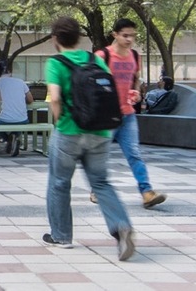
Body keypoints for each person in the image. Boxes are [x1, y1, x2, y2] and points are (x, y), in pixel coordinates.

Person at [42, 15, 137, 262]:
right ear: (78, 37)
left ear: (55, 39)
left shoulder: (55, 62)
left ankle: (61, 236)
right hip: (100, 132)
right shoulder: (94, 58)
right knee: (101, 182)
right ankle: (121, 226)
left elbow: (54, 98)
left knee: (59, 183)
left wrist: (59, 120)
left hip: (69, 131)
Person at [96, 19, 167, 209]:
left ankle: (147, 193)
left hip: (127, 115)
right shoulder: (102, 56)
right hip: (106, 116)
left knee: (134, 153)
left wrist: (135, 92)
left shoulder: (135, 56)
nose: (129, 40)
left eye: (132, 36)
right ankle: (97, 188)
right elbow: (92, 83)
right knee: (100, 154)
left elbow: (135, 80)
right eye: (125, 35)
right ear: (115, 35)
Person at [0, 58, 31, 154]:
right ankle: (14, 137)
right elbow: (30, 100)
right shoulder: (22, 82)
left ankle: (8, 139)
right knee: (19, 123)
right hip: (22, 119)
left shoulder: (0, 81)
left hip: (4, 119)